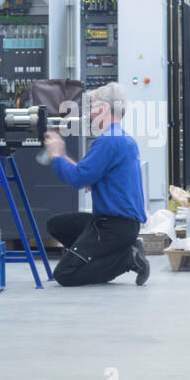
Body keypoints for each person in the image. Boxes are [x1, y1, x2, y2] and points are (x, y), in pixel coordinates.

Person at [43, 82, 151, 287]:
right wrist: (64, 155)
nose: (90, 113)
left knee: (65, 274)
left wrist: (57, 156)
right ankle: (95, 256)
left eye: (92, 107)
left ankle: (128, 258)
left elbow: (78, 179)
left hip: (114, 226)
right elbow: (89, 176)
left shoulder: (108, 141)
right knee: (57, 224)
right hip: (116, 223)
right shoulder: (120, 138)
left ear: (104, 108)